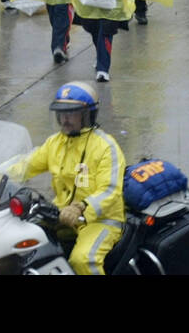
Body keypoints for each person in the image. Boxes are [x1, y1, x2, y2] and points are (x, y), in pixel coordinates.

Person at [9, 82, 126, 273]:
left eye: (71, 113)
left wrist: (81, 206)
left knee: (82, 260)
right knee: (21, 242)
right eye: (62, 114)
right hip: (61, 215)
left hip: (100, 220)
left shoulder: (105, 146)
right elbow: (25, 165)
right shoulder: (55, 143)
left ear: (87, 115)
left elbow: (110, 190)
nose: (65, 119)